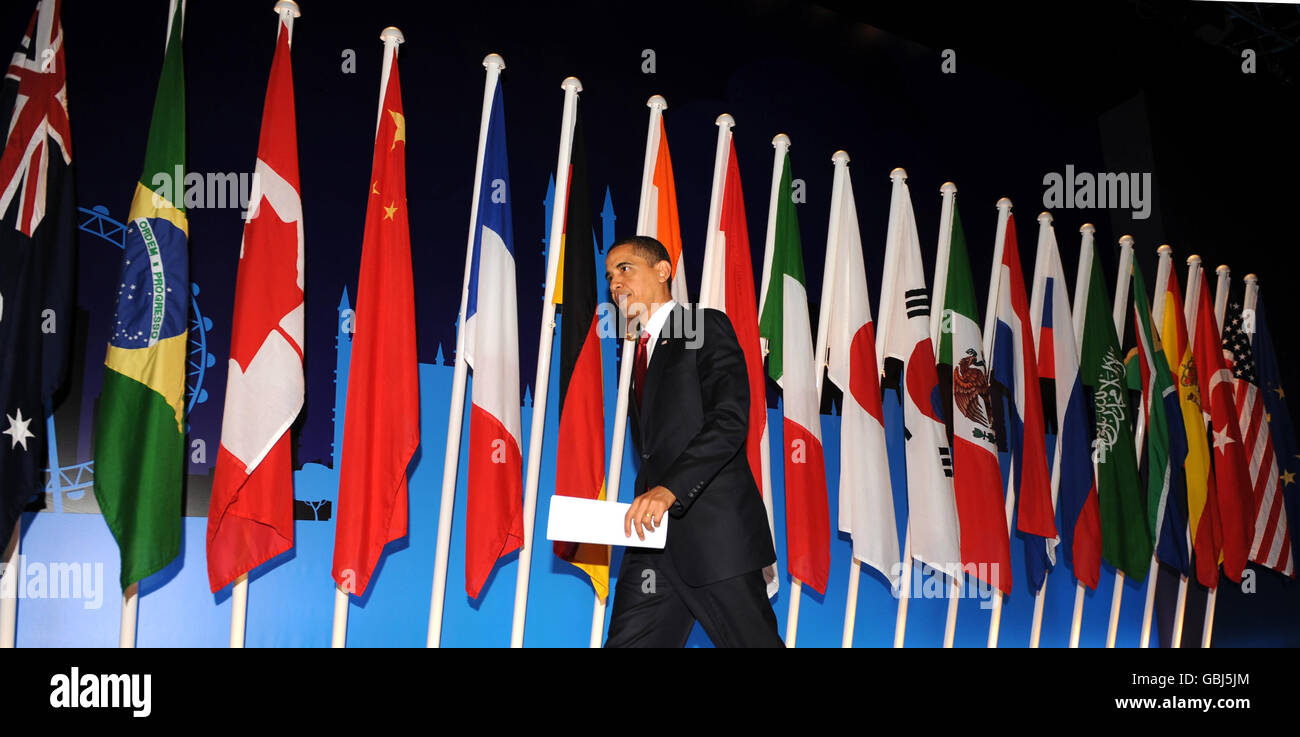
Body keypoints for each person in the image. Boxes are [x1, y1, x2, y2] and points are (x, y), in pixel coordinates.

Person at [602, 235, 782, 647]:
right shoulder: (636, 354)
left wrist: (670, 490)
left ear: (663, 271)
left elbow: (729, 421)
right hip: (651, 545)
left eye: (625, 269)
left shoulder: (701, 325)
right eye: (610, 277)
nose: (615, 284)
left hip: (714, 539)